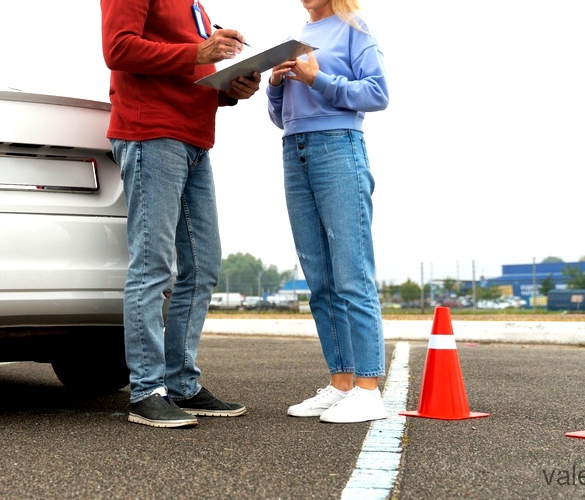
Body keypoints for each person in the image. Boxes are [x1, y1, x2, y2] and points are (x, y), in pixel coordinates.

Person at [101, 0, 261, 428]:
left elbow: (193, 71)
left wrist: (230, 89)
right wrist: (198, 53)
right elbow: (118, 49)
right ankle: (146, 390)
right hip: (152, 132)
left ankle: (181, 385)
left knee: (203, 265)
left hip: (194, 139)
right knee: (152, 264)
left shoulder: (196, 8)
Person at [267, 0, 390, 423]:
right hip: (294, 149)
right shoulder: (296, 37)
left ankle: (369, 389)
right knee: (318, 278)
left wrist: (318, 78)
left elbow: (377, 93)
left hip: (338, 148)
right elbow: (280, 117)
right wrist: (276, 85)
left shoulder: (354, 28)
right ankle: (341, 384)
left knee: (351, 274)